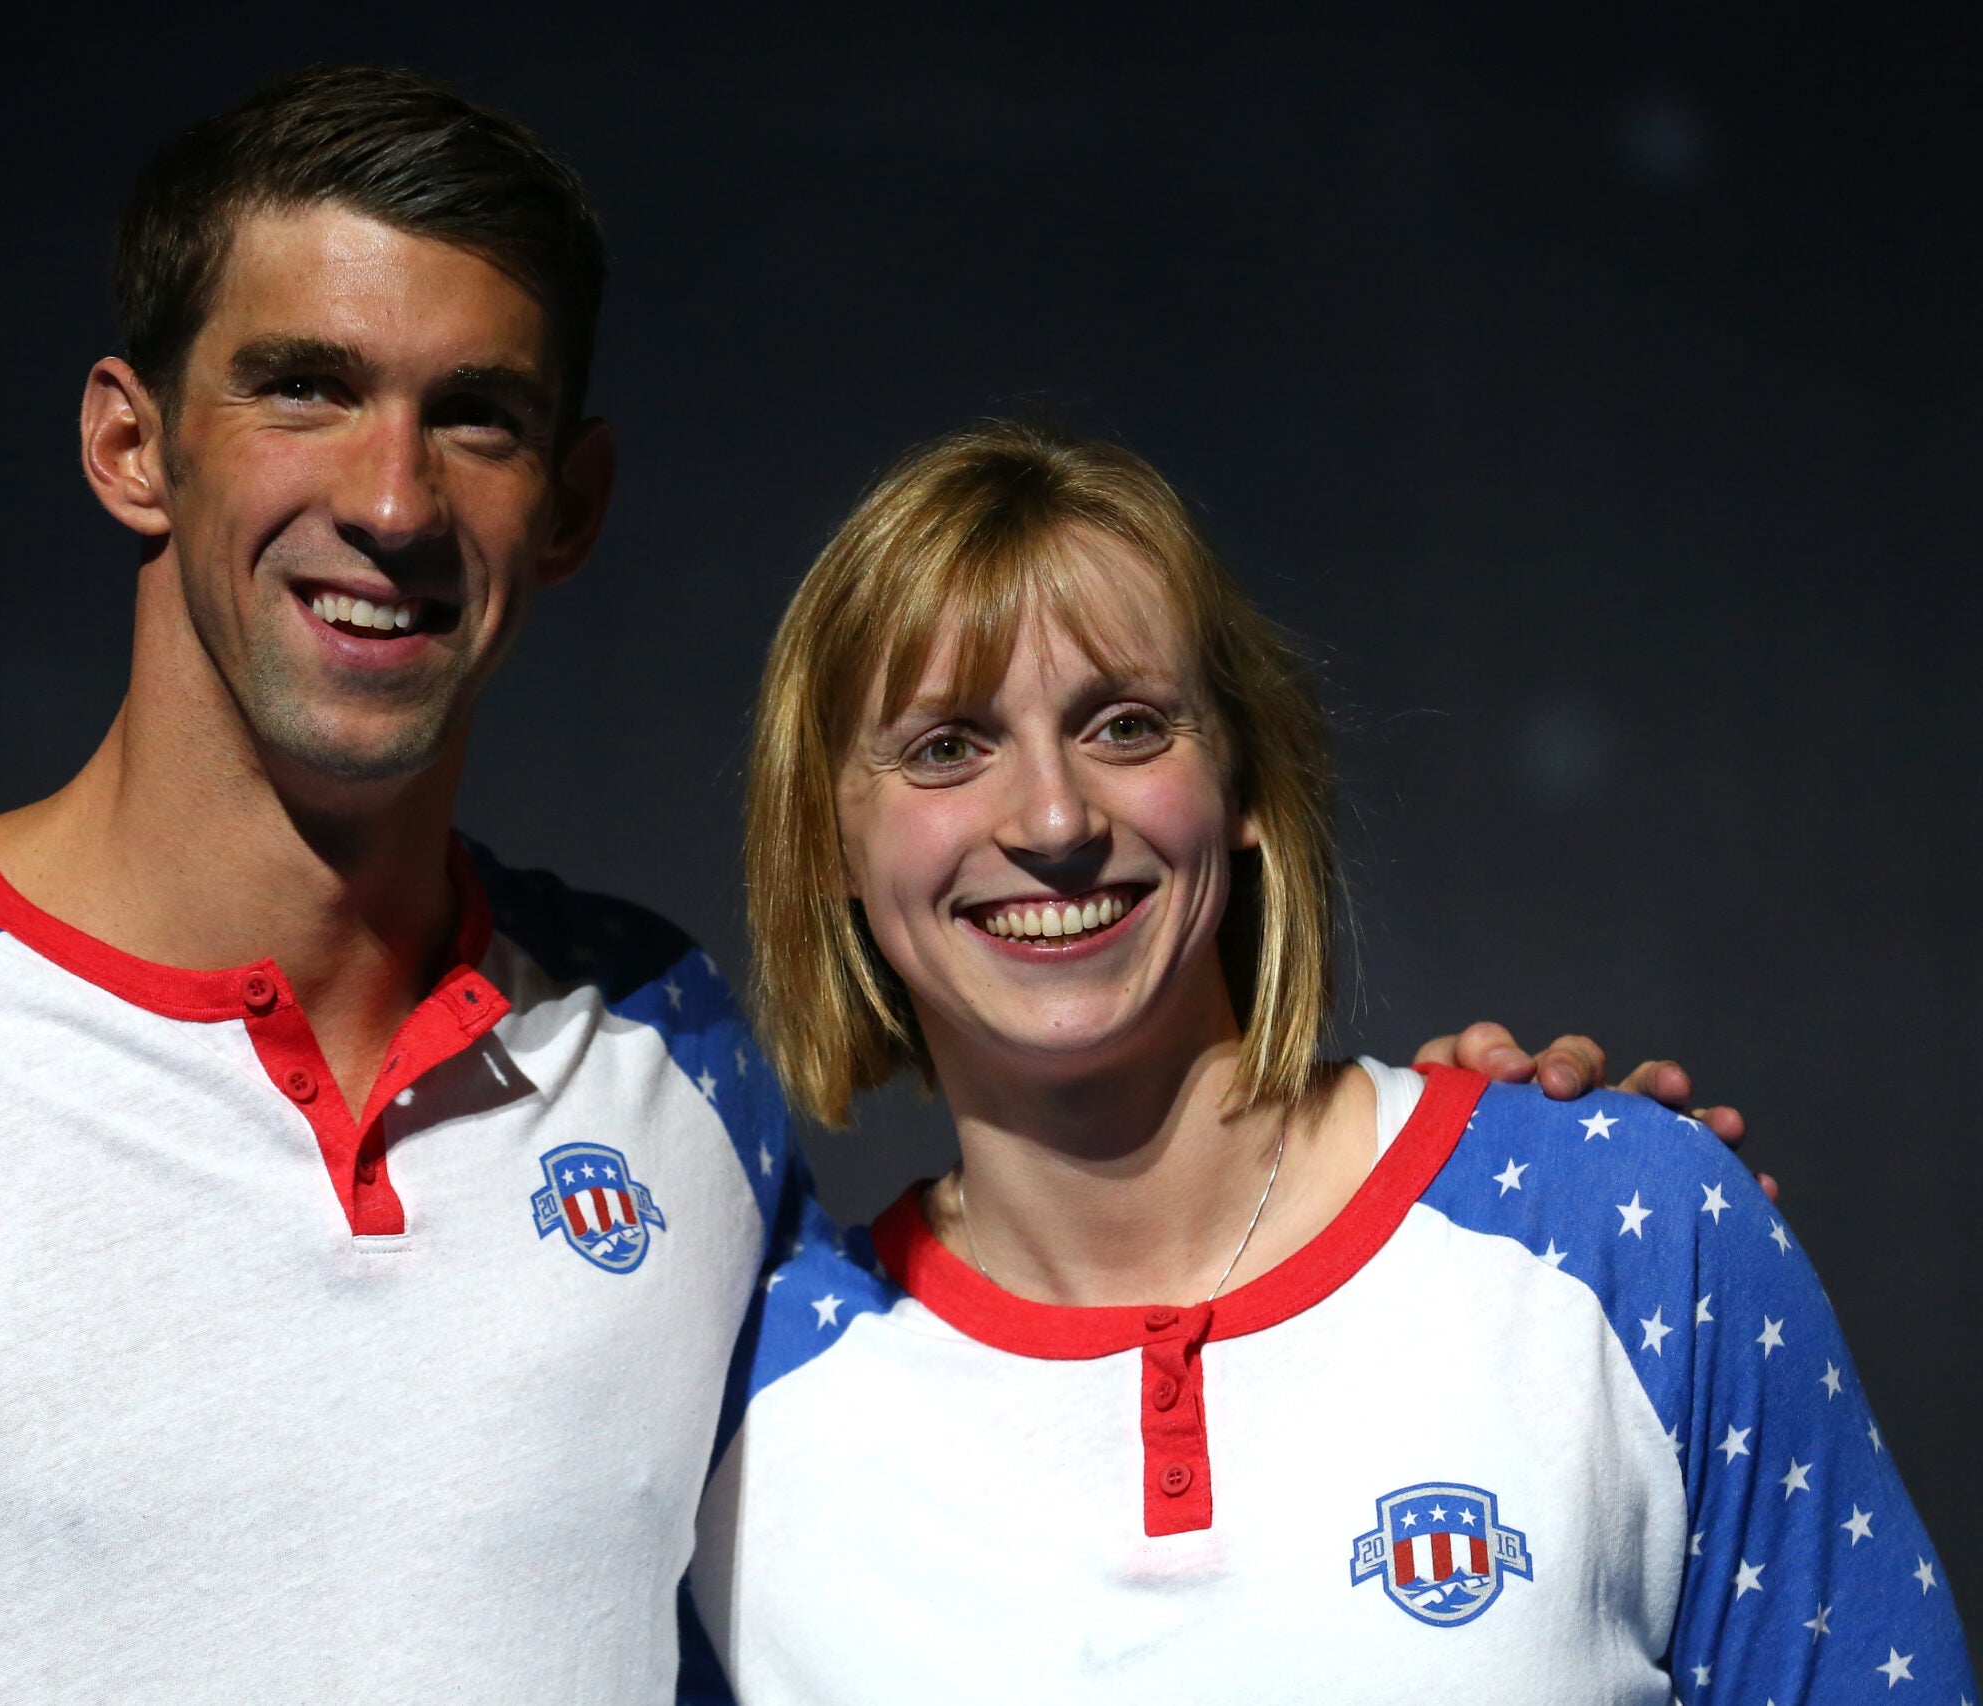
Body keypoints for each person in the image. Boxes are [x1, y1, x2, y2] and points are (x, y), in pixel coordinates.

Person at [0, 69, 1732, 1703]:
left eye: (479, 417)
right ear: (130, 440)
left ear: (577, 494)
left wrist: (1475, 1199)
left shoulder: (676, 1076)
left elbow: (1032, 1476)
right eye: (303, 388)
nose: (393, 498)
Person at [686, 422, 1965, 1703]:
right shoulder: (740, 1411)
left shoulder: (1610, 1227)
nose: (1056, 818)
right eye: (946, 747)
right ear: (828, 844)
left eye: (1126, 725)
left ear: (1244, 782)